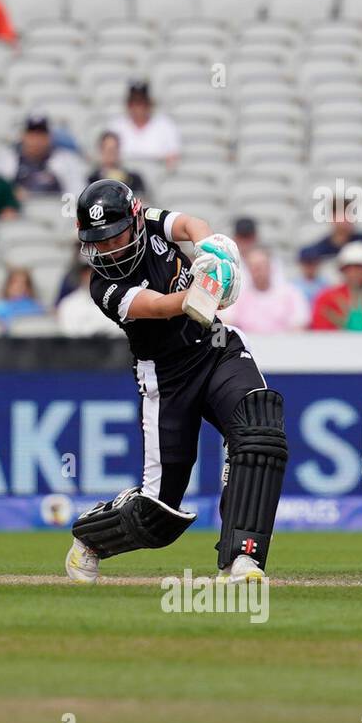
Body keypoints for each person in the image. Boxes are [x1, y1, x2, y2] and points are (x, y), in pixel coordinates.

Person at [65, 178, 285, 586]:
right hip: (167, 379)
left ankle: (241, 560)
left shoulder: (149, 220)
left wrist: (212, 251)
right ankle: (92, 537)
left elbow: (191, 225)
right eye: (99, 242)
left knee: (260, 430)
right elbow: (162, 306)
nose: (109, 248)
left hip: (215, 347)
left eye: (115, 237)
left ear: (134, 219)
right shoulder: (104, 289)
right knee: (158, 514)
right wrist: (201, 291)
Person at [217, 247, 309, 332]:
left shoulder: (291, 293)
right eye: (253, 267)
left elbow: (300, 325)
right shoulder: (237, 296)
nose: (257, 271)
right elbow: (227, 322)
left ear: (270, 266)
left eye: (261, 266)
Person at [0, 114, 87, 197]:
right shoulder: (5, 159)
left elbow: (78, 194)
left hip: (57, 212)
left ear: (50, 137)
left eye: (41, 135)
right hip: (18, 214)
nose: (36, 140)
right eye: (32, 135)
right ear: (22, 136)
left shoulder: (67, 160)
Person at [309, 240, 362, 331]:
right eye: (350, 268)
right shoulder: (326, 299)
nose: (355, 272)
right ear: (342, 270)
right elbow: (319, 332)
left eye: (360, 268)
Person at [108, 82, 180, 169]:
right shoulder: (116, 126)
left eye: (141, 102)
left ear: (149, 103)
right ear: (128, 104)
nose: (138, 107)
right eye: (134, 102)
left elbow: (173, 157)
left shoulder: (165, 125)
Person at [56, 264, 118, 337]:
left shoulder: (118, 300)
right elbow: (68, 332)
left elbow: (118, 330)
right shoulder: (67, 303)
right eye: (87, 273)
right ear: (81, 275)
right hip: (80, 346)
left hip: (110, 346)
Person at [301, 195, 362, 260]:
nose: (349, 218)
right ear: (333, 218)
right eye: (343, 215)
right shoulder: (319, 250)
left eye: (351, 214)